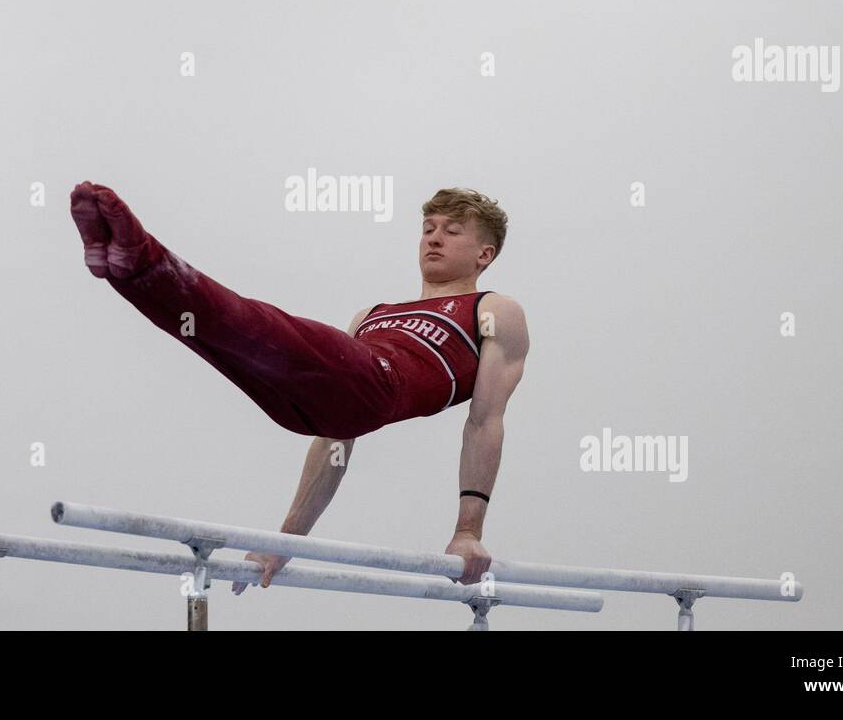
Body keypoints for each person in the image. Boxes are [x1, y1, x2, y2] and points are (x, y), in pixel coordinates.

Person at [69, 181, 528, 587]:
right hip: (312, 406)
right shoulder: (373, 315)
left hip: (377, 386)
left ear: (484, 254)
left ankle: (140, 254)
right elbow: (334, 441)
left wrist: (469, 531)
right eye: (428, 226)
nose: (434, 237)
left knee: (247, 318)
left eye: (452, 230)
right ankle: (121, 268)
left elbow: (485, 421)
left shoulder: (493, 309)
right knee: (209, 334)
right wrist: (288, 539)